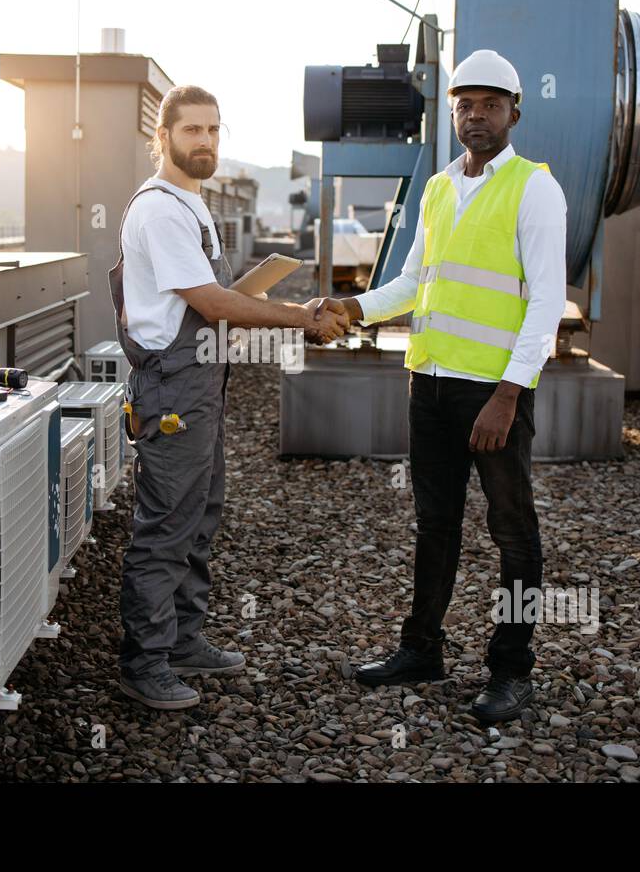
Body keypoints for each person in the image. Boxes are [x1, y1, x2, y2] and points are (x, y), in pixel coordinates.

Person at [321, 50, 567, 724]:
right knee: (436, 525)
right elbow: (411, 284)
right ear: (452, 111)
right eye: (466, 103)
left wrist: (509, 394)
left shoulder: (534, 188)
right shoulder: (435, 188)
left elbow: (547, 303)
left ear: (514, 111)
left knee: (514, 535)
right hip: (428, 387)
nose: (477, 114)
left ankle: (512, 671)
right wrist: (352, 310)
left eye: (491, 103)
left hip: (491, 395)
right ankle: (421, 650)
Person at [109, 84, 348, 710]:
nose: (206, 141)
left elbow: (211, 300)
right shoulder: (160, 209)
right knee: (165, 525)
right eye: (192, 131)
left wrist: (255, 303)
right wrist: (301, 316)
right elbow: (212, 303)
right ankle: (145, 661)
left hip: (200, 384)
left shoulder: (191, 203)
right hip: (173, 388)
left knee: (200, 513)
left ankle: (184, 639)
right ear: (161, 139)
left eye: (214, 130)